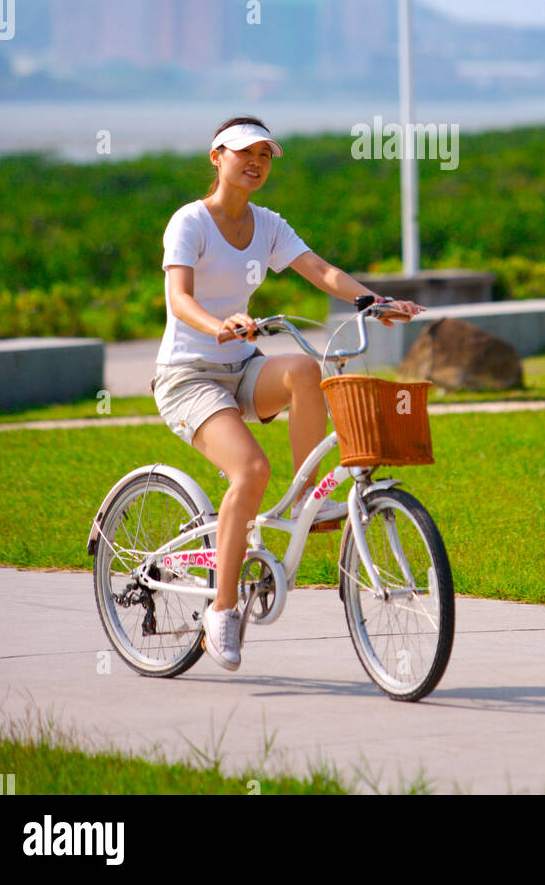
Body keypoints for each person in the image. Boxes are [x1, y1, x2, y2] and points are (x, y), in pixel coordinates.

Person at [151, 114, 424, 672]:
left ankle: (307, 501)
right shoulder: (189, 223)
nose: (255, 163)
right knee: (250, 471)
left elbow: (320, 271)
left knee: (304, 368)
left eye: (266, 155)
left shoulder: (268, 224)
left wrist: (374, 302)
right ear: (217, 157)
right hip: (188, 375)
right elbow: (178, 299)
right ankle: (222, 611)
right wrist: (218, 324)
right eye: (244, 153)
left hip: (242, 364)